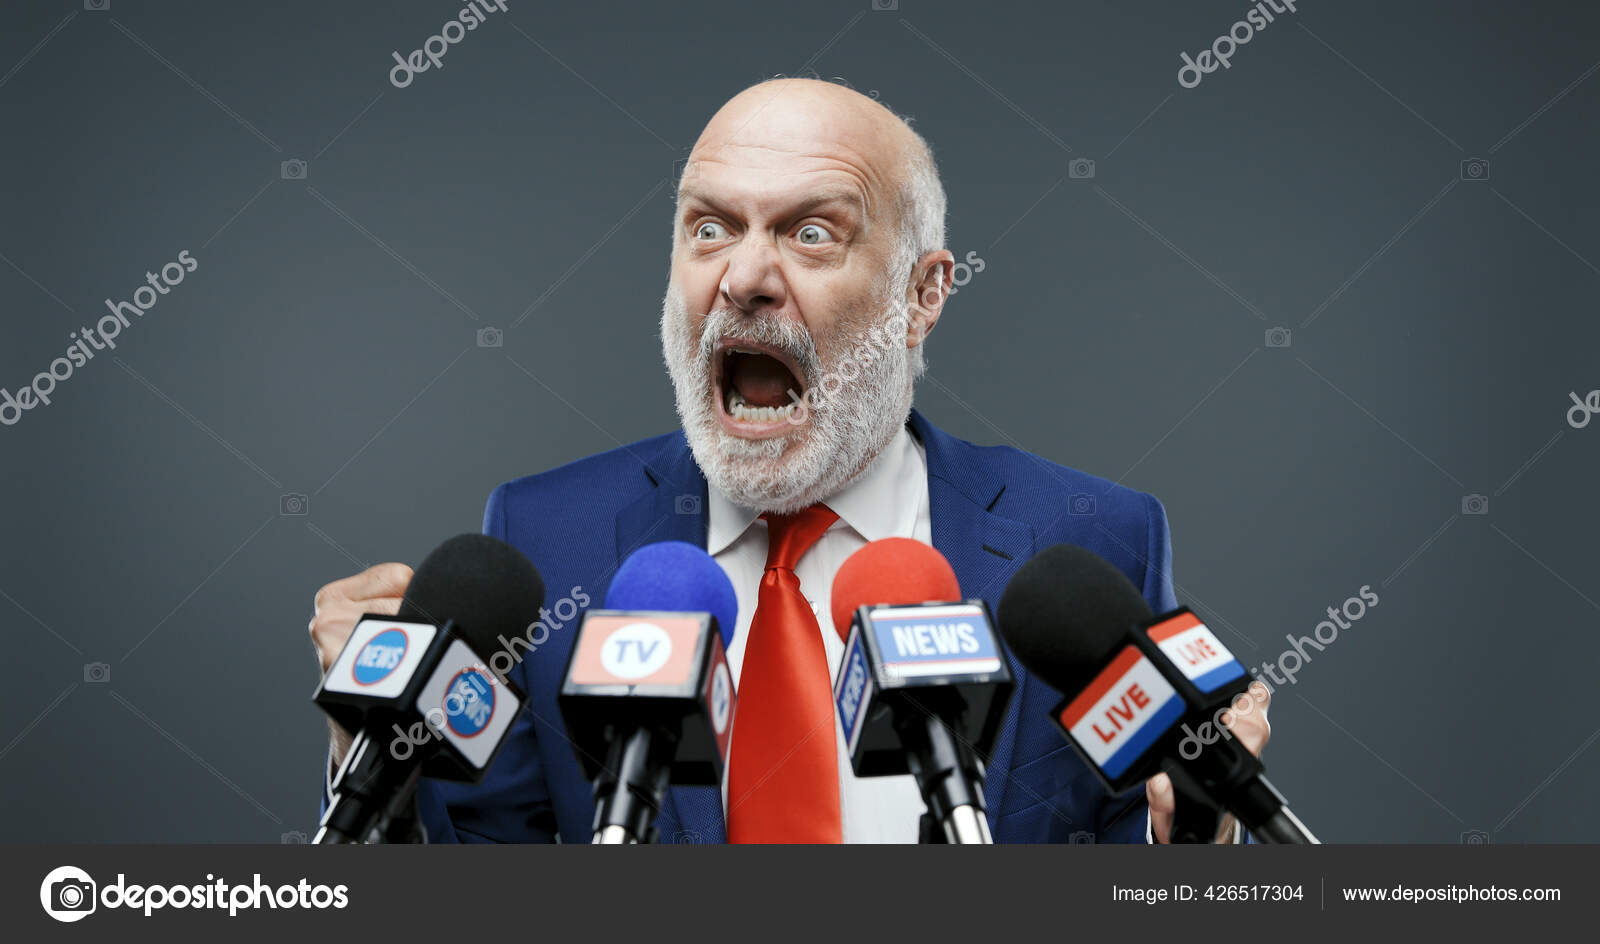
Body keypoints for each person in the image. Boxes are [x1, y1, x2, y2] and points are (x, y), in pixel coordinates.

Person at [309, 78, 1270, 843]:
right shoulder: (541, 543)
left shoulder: (1095, 544)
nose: (745, 277)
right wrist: (377, 760)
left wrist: (1198, 837)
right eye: (709, 228)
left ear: (923, 296)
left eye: (812, 233)